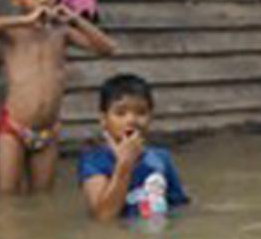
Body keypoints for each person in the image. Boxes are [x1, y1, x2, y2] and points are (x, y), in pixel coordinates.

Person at [0, 0, 117, 194]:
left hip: (48, 130)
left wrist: (75, 19)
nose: (43, 0)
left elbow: (107, 48)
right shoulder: (11, 31)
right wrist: (24, 20)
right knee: (8, 196)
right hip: (14, 128)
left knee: (42, 196)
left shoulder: (61, 31)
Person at [78, 74, 189, 221]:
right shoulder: (94, 161)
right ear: (104, 120)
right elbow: (103, 217)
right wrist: (124, 165)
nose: (132, 120)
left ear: (151, 117)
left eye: (141, 112)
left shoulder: (161, 158)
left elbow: (179, 207)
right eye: (120, 113)